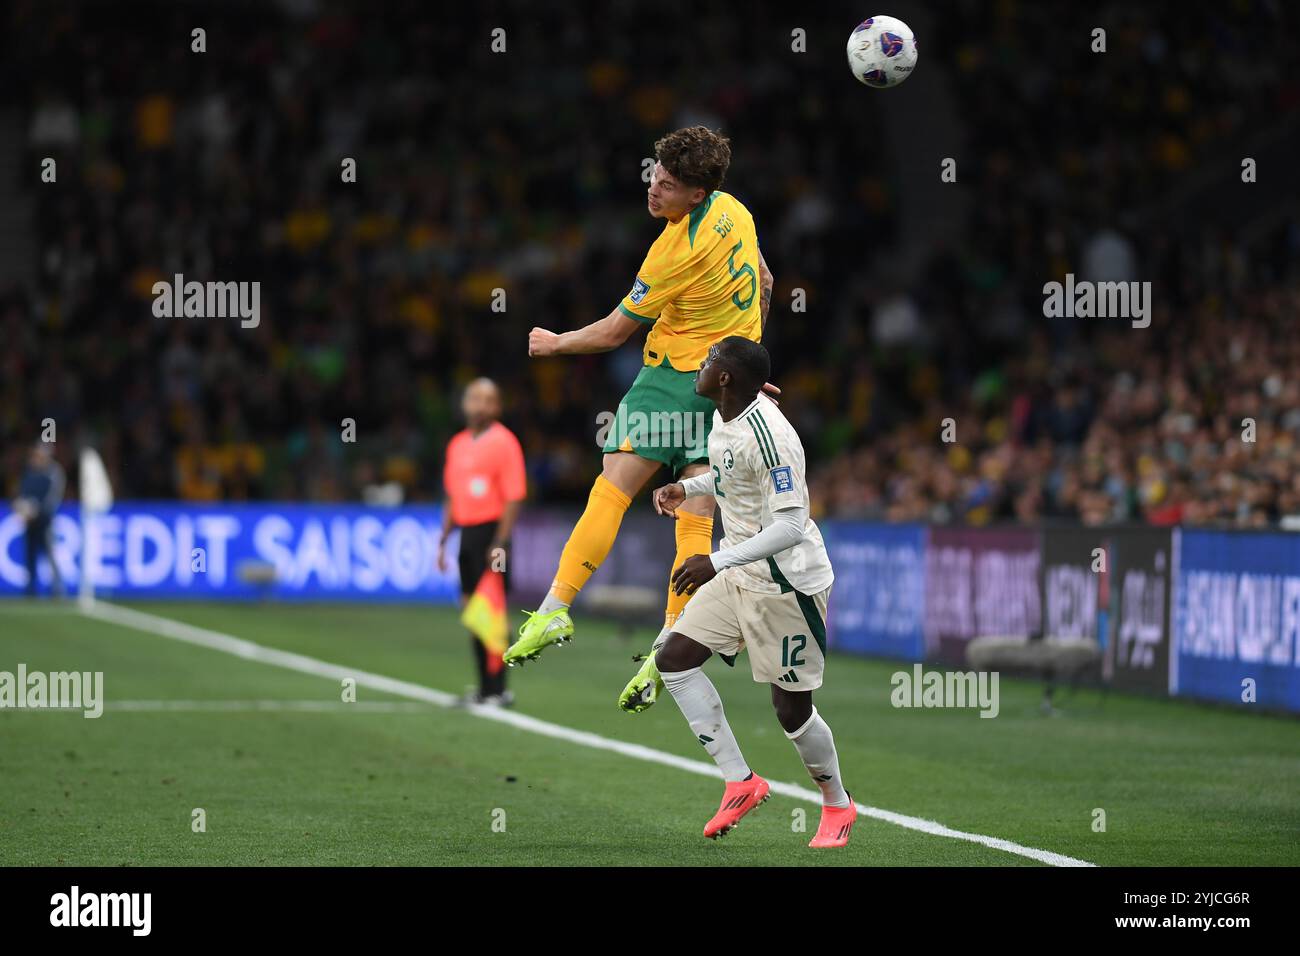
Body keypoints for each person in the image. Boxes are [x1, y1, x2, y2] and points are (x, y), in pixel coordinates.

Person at [501, 126, 778, 721]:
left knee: (614, 486)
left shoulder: (673, 252)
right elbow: (766, 282)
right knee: (695, 513)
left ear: (697, 192)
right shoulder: (737, 211)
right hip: (730, 388)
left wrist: (553, 344)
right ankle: (669, 640)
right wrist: (746, 364)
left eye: (669, 184)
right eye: (654, 172)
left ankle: (555, 605)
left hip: (677, 379)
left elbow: (612, 333)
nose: (654, 186)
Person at [650, 337, 854, 848]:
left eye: (710, 359)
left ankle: (837, 802)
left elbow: (790, 525)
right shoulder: (725, 412)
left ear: (726, 378)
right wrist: (688, 489)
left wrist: (714, 560)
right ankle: (741, 781)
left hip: (788, 583)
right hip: (742, 571)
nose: (701, 364)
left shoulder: (772, 437)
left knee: (791, 711)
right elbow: (729, 478)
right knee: (672, 658)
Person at [438, 379, 526, 706]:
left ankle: (499, 688)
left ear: (497, 407)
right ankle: (483, 687)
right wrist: (443, 537)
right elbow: (452, 495)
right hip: (466, 535)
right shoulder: (457, 444)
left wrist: (501, 541)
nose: (480, 405)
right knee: (473, 612)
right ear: (464, 403)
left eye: (488, 400)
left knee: (493, 613)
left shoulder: (505, 442)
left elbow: (514, 497)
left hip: (492, 535)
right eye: (475, 398)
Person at [14, 443, 66, 598]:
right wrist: (22, 508)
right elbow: (22, 494)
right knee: (30, 556)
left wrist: (34, 510)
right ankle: (30, 588)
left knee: (50, 555)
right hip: (30, 523)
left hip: (45, 522)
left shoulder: (52, 474)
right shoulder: (29, 474)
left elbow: (51, 500)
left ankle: (57, 589)